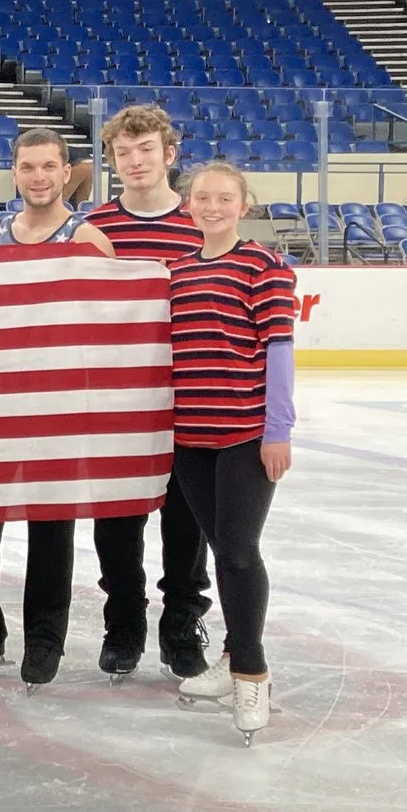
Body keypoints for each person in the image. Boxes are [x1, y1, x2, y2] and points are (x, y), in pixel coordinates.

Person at [0, 129, 117, 688]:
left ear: (66, 173)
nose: (38, 176)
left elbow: (110, 328)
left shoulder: (89, 240)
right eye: (27, 166)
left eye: (48, 167)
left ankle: (44, 640)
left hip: (57, 407)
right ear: (14, 172)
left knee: (51, 528)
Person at [84, 104, 215, 682]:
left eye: (145, 150)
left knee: (186, 523)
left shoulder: (199, 224)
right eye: (122, 153)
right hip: (118, 401)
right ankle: (124, 625)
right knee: (117, 521)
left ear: (169, 154)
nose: (134, 162)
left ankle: (182, 625)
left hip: (189, 396)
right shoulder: (96, 228)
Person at [165, 163, 295, 743]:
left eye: (224, 198)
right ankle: (233, 652)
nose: (211, 206)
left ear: (243, 205)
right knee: (222, 553)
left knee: (239, 554)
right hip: (188, 437)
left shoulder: (264, 266)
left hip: (244, 435)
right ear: (188, 203)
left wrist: (278, 429)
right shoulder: (176, 272)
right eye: (201, 197)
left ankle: (251, 672)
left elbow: (279, 351)